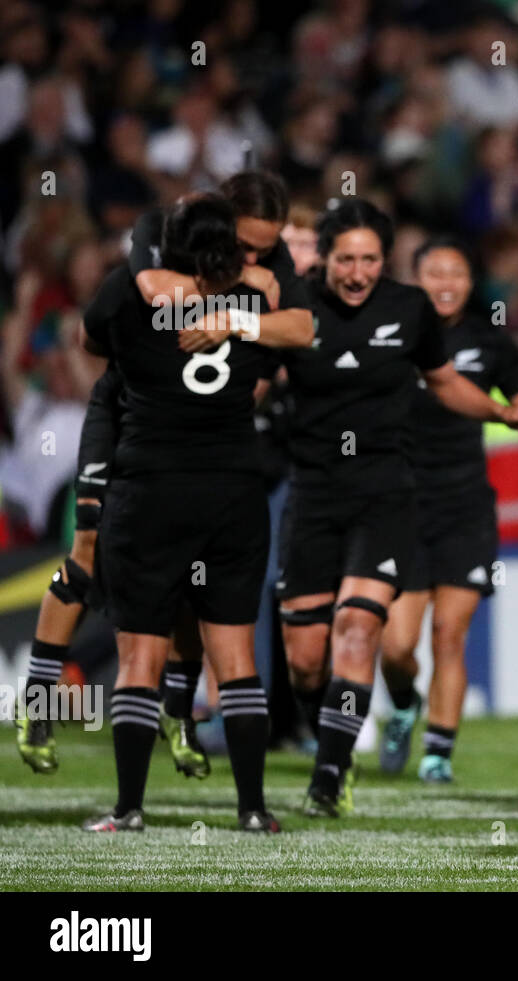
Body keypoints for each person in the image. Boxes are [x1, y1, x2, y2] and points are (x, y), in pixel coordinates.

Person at [17, 172, 311, 779]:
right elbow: (152, 287)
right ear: (219, 220)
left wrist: (234, 318)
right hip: (123, 415)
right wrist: (240, 287)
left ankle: (178, 711)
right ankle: (38, 701)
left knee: (186, 581)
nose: (262, 256)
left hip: (192, 438)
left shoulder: (271, 252)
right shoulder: (161, 227)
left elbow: (301, 326)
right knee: (86, 553)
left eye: (267, 248)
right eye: (249, 245)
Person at [277, 199, 518, 817]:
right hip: (314, 497)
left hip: (389, 495)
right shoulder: (295, 309)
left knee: (363, 630)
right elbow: (259, 374)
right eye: (346, 258)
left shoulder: (409, 310)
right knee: (305, 660)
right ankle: (345, 726)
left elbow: (444, 380)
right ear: (324, 257)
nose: (358, 271)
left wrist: (503, 412)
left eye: (370, 258)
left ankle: (333, 773)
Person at [377, 235, 518, 783]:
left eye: (456, 273)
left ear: (469, 282)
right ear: (416, 279)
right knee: (397, 646)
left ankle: (437, 753)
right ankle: (404, 706)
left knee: (449, 635)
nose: (446, 284)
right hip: (402, 505)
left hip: (463, 505)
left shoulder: (490, 342)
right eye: (434, 273)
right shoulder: (392, 336)